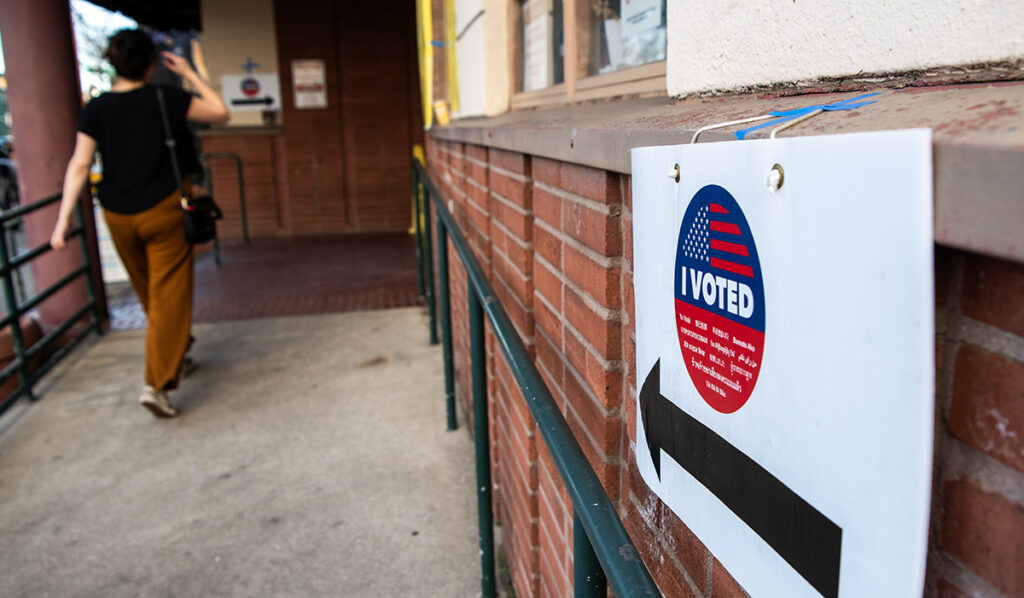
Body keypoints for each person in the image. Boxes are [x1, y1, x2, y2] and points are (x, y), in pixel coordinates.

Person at [51, 29, 229, 418]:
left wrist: (63, 218)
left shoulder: (95, 109)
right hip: (163, 210)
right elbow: (220, 111)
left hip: (117, 214)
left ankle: (174, 350)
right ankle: (156, 382)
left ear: (114, 63)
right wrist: (192, 73)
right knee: (167, 295)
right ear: (151, 63)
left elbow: (80, 164)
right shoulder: (167, 97)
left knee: (149, 292)